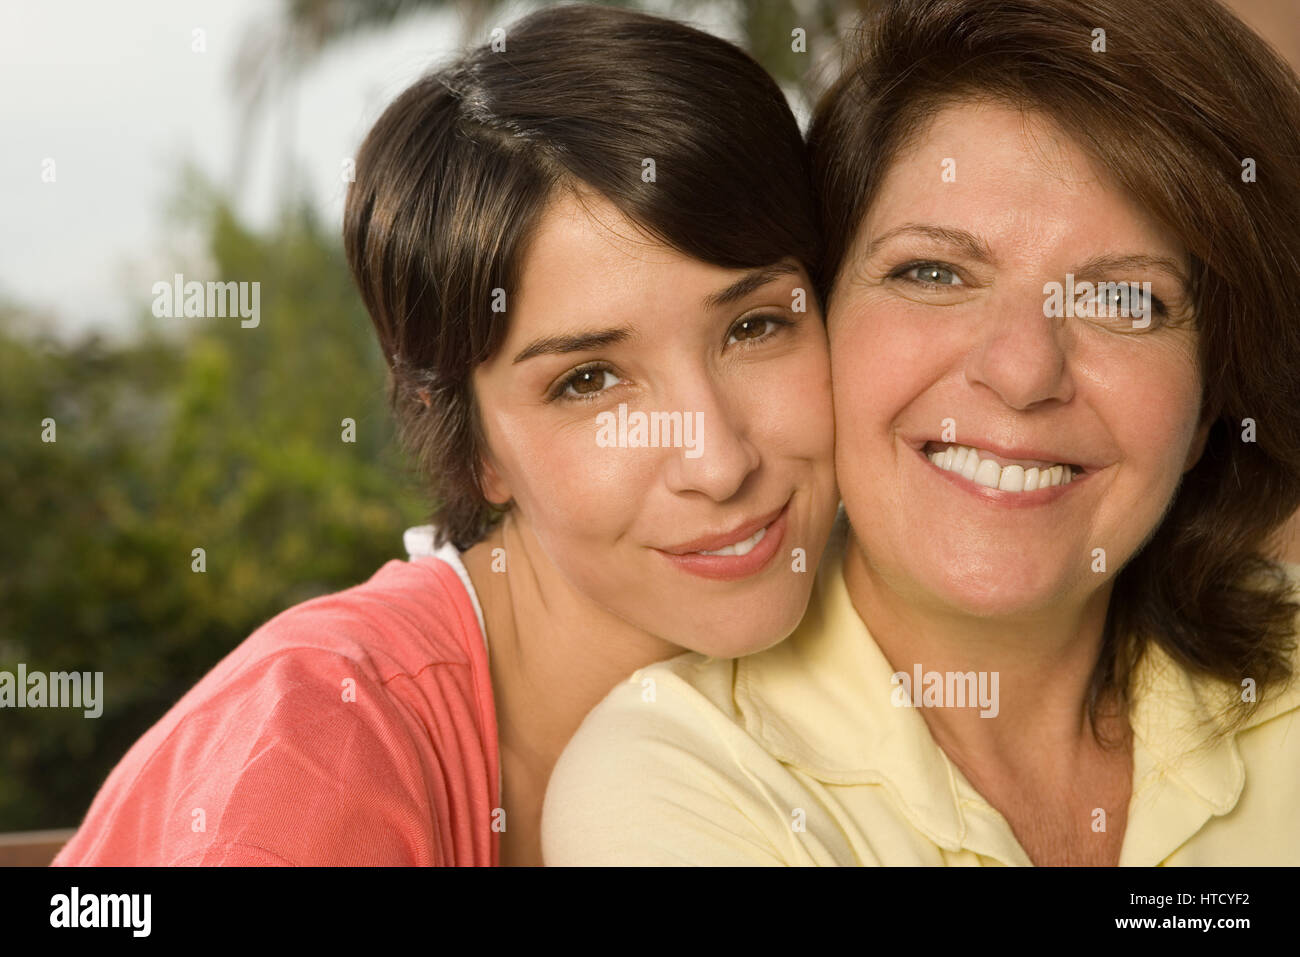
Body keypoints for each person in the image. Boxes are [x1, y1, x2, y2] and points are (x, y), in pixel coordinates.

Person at [52, 3, 839, 867]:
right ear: (474, 448)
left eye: (756, 327)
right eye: (588, 381)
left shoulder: (869, 678)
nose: (719, 461)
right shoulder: (324, 740)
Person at [541, 0, 1300, 866]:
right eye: (934, 271)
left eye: (1124, 298)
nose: (1022, 372)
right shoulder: (673, 781)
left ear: (1208, 400)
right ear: (820, 323)